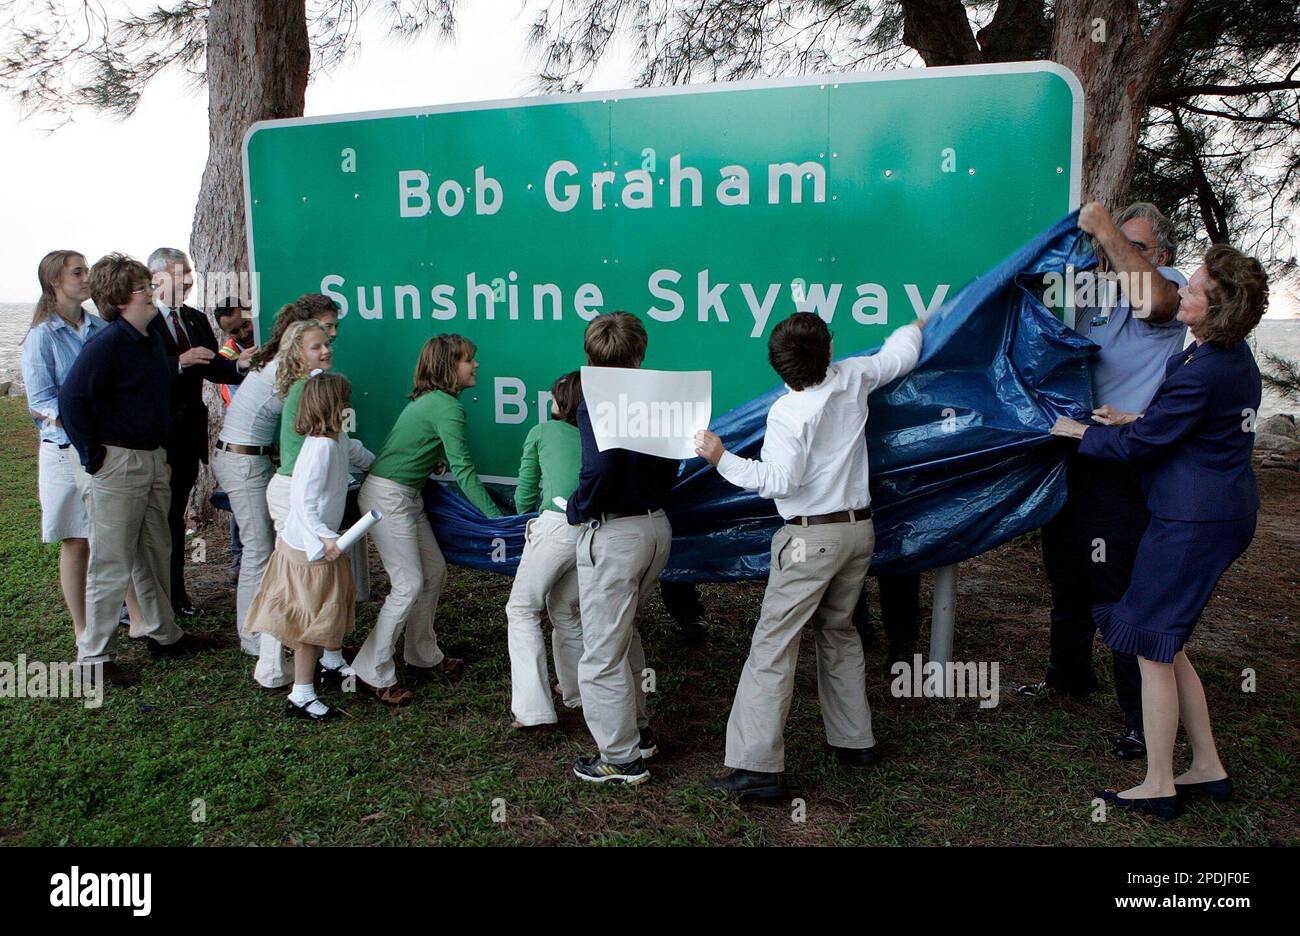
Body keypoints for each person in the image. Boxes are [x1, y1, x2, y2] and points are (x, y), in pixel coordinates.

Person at [1050, 244, 1268, 819]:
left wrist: (1078, 433)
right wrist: (1134, 415)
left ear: (1213, 309)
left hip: (1193, 520)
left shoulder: (1209, 367)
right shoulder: (1223, 357)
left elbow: (1144, 448)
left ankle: (1157, 782)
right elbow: (1179, 422)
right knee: (1169, 646)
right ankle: (1206, 768)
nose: (1180, 294)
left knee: (1149, 644)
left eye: (1193, 291)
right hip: (1215, 510)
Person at [695, 311, 925, 799]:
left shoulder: (787, 413)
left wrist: (720, 457)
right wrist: (916, 325)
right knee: (839, 632)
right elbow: (900, 357)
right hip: (857, 533)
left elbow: (780, 482)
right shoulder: (855, 375)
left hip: (808, 540)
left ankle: (757, 770)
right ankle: (854, 740)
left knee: (774, 644)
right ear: (830, 349)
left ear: (778, 367)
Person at [1020, 202, 1189, 762]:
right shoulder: (1088, 292)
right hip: (1074, 449)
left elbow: (1156, 303)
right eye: (1113, 245)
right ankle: (1066, 675)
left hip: (1125, 462)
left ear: (1159, 254)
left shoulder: (1165, 285)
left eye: (1132, 245)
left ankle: (1142, 719)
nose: (1116, 255)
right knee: (1066, 572)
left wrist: (1106, 232)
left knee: (1117, 587)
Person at [58, 253, 216, 686]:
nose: (154, 293)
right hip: (116, 464)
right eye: (145, 288)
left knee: (154, 551)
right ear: (123, 298)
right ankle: (94, 659)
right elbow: (71, 401)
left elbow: (154, 385)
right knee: (111, 562)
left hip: (149, 458)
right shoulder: (106, 344)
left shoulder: (146, 339)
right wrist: (95, 457)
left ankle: (165, 635)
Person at [348, 334, 503, 705]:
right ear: (449, 367)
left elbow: (418, 448)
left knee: (434, 573)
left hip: (404, 494)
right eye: (468, 360)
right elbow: (465, 472)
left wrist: (431, 457)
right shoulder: (448, 407)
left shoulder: (433, 402)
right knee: (408, 584)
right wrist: (498, 520)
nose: (476, 365)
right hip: (389, 497)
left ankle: (421, 653)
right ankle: (370, 670)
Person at [566, 312, 677, 785]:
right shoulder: (662, 395)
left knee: (601, 652)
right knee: (624, 633)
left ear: (589, 356)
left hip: (615, 535)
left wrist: (578, 506)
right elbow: (673, 460)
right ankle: (638, 733)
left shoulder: (595, 399)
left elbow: (600, 467)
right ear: (641, 352)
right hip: (657, 528)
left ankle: (619, 757)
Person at [210, 299, 327, 673]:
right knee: (258, 548)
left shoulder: (282, 365)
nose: (329, 341)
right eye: (322, 331)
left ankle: (267, 631)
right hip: (241, 460)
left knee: (262, 547)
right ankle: (252, 636)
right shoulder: (287, 371)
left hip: (250, 457)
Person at [261, 319, 372, 687]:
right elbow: (303, 472)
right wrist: (321, 531)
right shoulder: (310, 391)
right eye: (315, 346)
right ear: (297, 353)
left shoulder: (321, 397)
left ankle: (331, 658)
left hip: (313, 501)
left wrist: (376, 465)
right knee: (297, 591)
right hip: (296, 494)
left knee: (325, 589)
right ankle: (273, 668)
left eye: (327, 344)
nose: (325, 350)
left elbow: (345, 443)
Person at [245, 372, 358, 722]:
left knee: (328, 609)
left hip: (320, 544)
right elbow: (304, 502)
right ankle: (302, 695)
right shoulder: (321, 447)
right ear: (332, 406)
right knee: (313, 622)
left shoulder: (336, 439)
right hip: (309, 549)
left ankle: (329, 664)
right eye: (344, 400)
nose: (350, 406)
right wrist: (325, 537)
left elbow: (357, 454)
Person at [147, 247, 251, 618]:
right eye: (182, 274)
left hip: (189, 435)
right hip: (153, 437)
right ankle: (155, 599)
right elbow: (133, 372)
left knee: (175, 514)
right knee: (158, 519)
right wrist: (177, 363)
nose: (190, 280)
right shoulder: (140, 322)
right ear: (157, 279)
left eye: (190, 273)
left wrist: (239, 364)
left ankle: (177, 595)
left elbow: (216, 369)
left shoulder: (193, 319)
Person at [21, 251, 108, 646]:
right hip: (63, 452)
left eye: (86, 269)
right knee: (77, 541)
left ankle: (136, 620)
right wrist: (86, 420)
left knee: (111, 539)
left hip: (105, 448)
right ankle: (82, 631)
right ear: (55, 280)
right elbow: (41, 402)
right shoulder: (41, 336)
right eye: (78, 271)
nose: (87, 276)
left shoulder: (100, 327)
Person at [505, 371, 584, 728]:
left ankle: (533, 710)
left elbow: (525, 489)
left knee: (521, 608)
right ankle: (579, 692)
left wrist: (512, 520)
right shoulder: (598, 437)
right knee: (566, 609)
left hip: (555, 526)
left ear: (562, 403)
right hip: (594, 530)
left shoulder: (542, 431)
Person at [215, 297, 256, 585]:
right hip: (245, 434)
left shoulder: (270, 335)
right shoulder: (227, 356)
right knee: (241, 498)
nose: (243, 334)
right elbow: (235, 398)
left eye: (245, 324)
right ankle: (239, 554)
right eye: (235, 332)